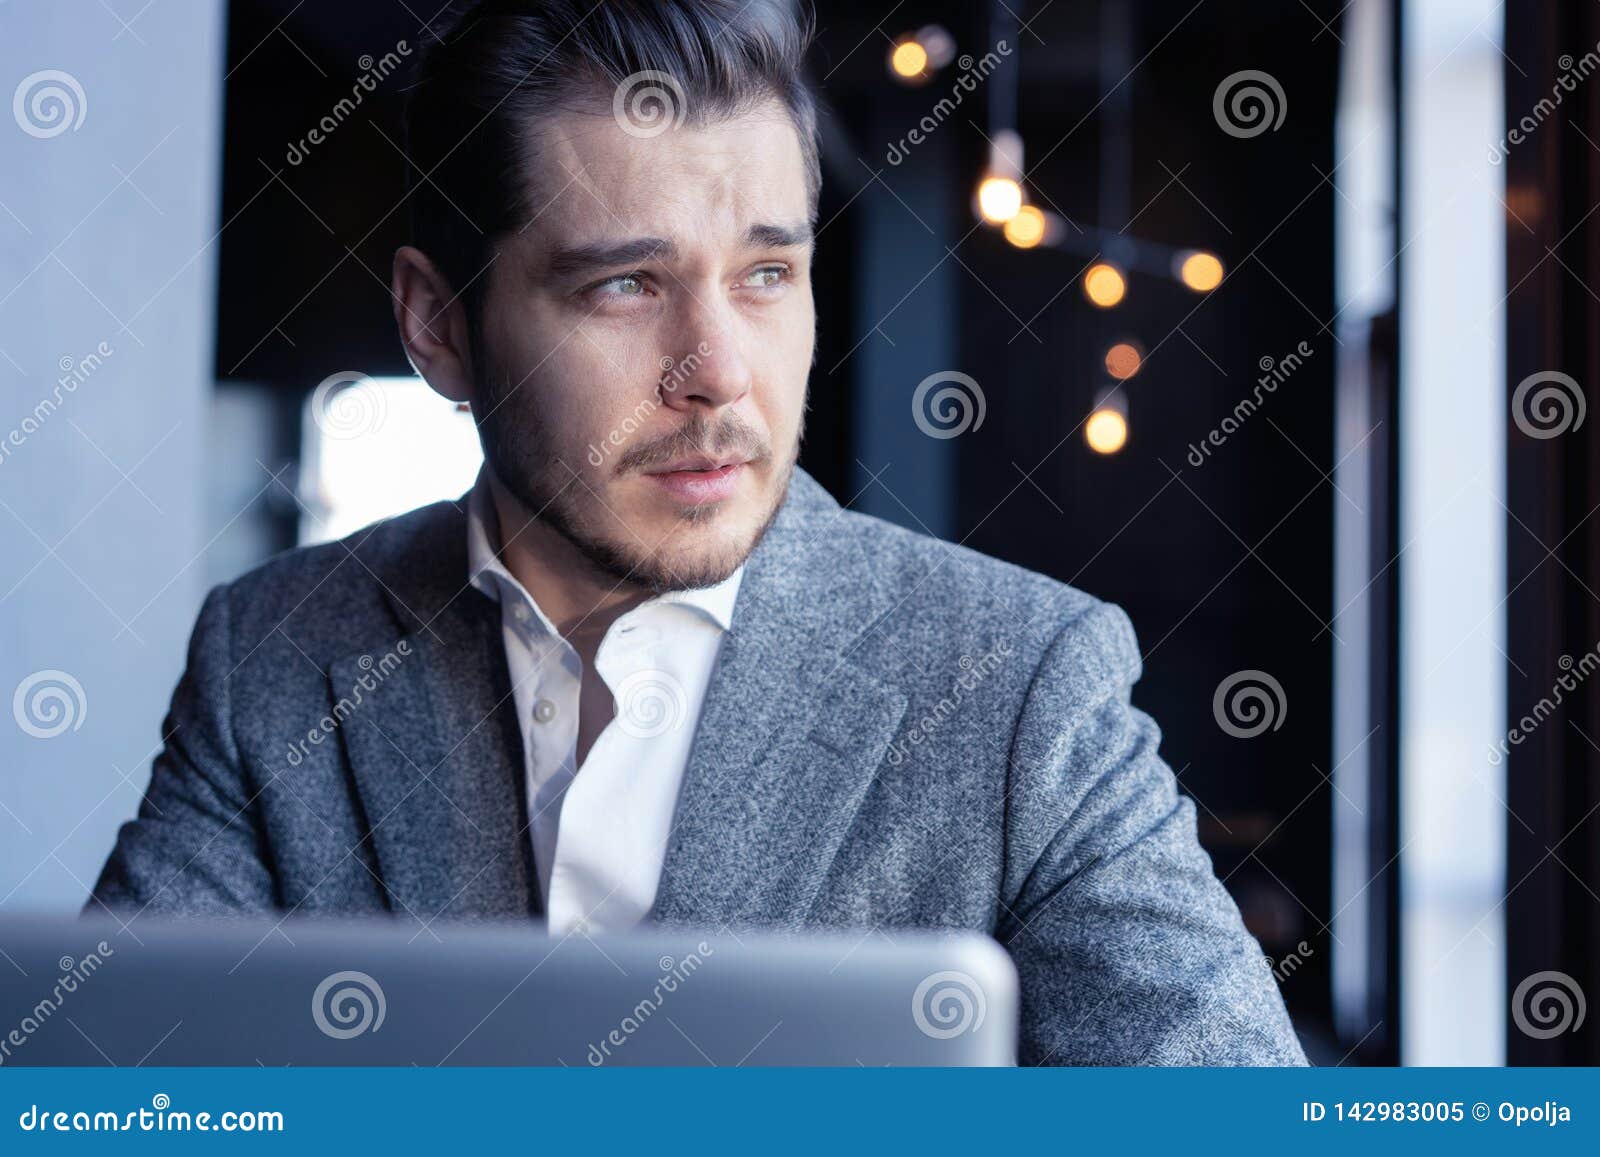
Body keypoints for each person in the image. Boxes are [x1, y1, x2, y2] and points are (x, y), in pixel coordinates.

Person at [89, 0, 1308, 1066]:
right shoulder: (275, 655)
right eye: (624, 284)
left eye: (766, 274)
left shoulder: (1021, 685)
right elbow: (107, 1096)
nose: (719, 374)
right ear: (438, 323)